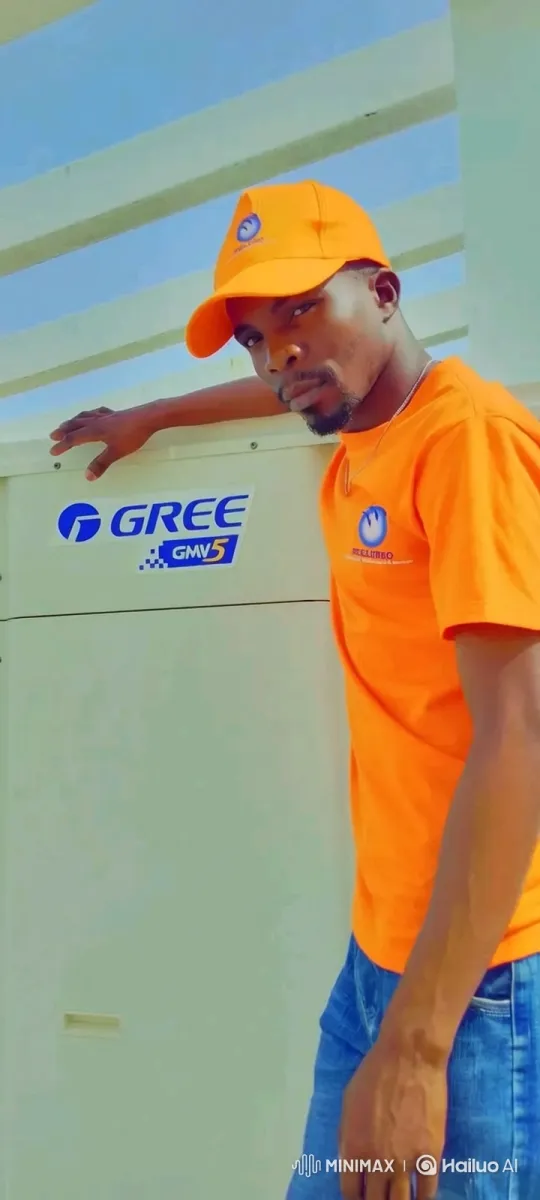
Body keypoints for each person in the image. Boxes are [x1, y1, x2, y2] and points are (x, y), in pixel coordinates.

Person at [50, 181, 540, 1199]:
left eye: (304, 309)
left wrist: (416, 1044)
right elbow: (291, 387)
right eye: (258, 337)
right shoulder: (366, 430)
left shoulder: (465, 440)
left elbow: (523, 732)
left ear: (388, 294)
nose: (280, 355)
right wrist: (158, 413)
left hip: (473, 992)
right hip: (377, 963)